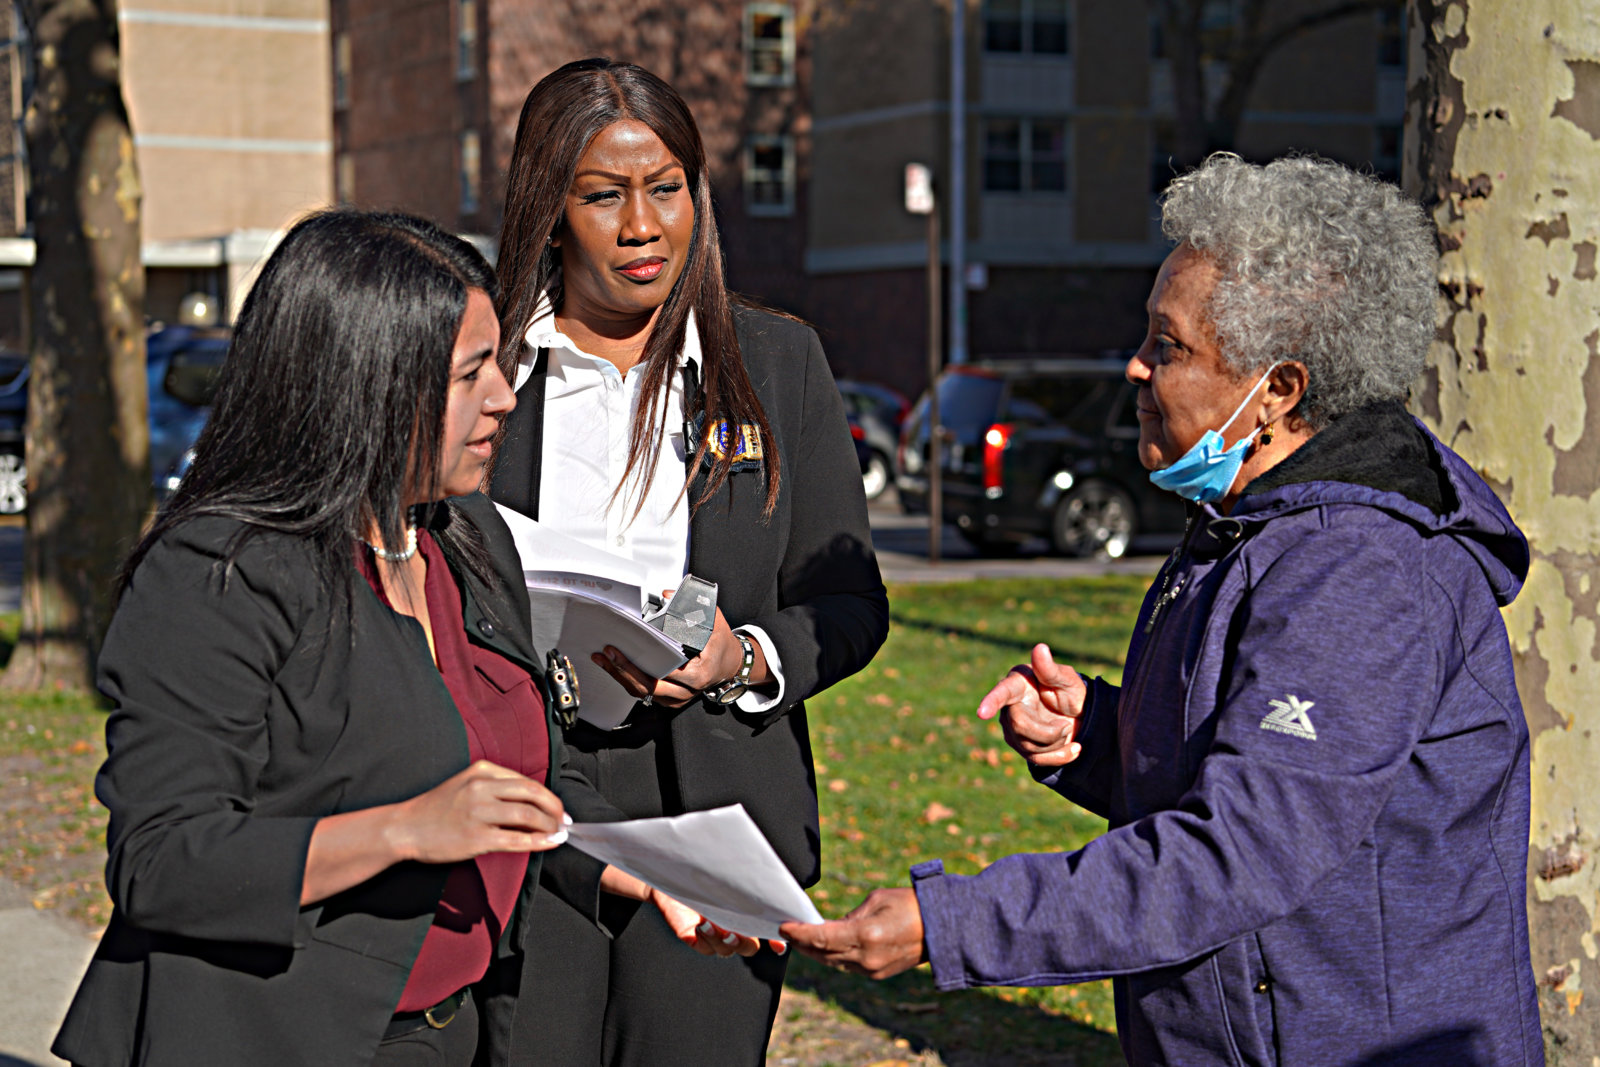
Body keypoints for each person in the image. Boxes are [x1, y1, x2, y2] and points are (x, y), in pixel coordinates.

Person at [783, 154, 1544, 1066]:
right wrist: (1100, 735)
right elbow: (1245, 765)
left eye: (1169, 345)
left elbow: (1238, 853)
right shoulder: (1247, 526)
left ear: (1278, 391)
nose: (1135, 365)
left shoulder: (1363, 571)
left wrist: (953, 922)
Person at [51, 209, 643, 1066]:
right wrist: (404, 830)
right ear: (364, 384)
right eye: (469, 373)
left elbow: (516, 773)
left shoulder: (465, 538)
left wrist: (636, 864)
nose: (504, 396)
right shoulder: (221, 569)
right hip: (265, 1035)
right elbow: (161, 859)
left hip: (449, 1031)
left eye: (499, 362)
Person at [487, 57, 888, 1066]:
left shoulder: (776, 363)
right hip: (527, 795)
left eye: (665, 189)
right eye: (602, 196)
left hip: (716, 806)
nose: (642, 226)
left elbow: (846, 599)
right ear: (547, 208)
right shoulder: (485, 369)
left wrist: (741, 657)